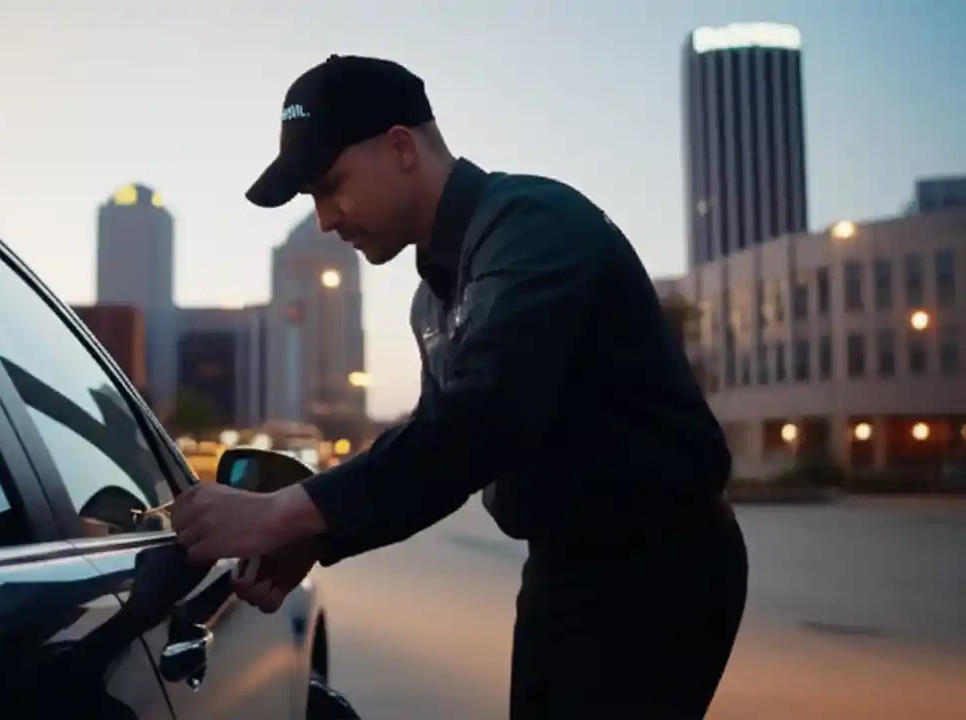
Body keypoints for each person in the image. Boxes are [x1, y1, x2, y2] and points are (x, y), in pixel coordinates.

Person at [172, 54, 748, 718]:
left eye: (331, 185)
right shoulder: (433, 298)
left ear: (400, 147)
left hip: (659, 567)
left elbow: (487, 417)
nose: (326, 219)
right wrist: (317, 537)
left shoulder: (534, 224)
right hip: (562, 567)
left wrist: (287, 509)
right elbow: (441, 452)